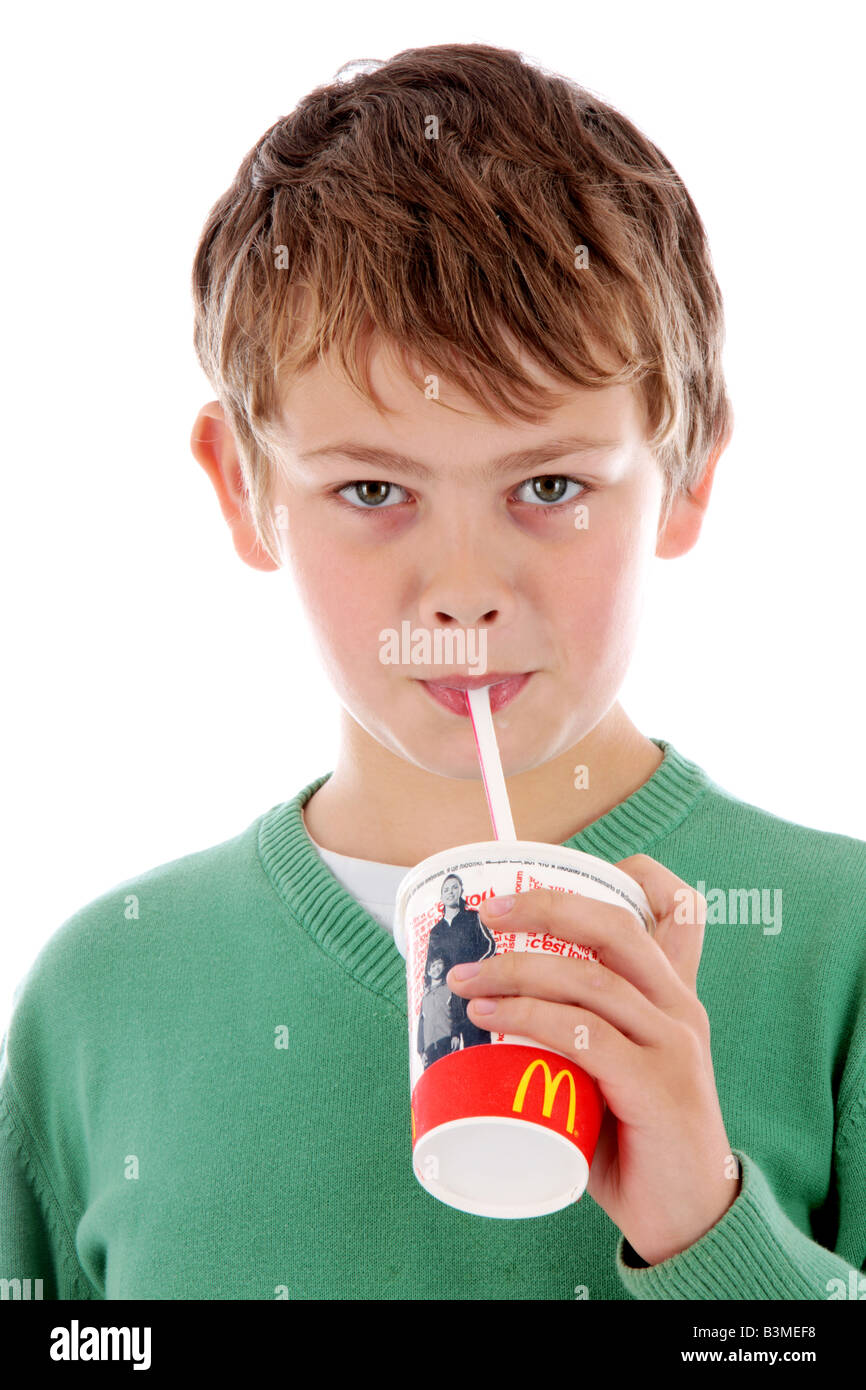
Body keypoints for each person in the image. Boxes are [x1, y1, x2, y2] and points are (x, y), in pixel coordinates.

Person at [1, 42, 864, 1301]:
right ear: (244, 492)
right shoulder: (102, 997)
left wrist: (707, 1228)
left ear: (685, 478)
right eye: (371, 489)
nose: (462, 585)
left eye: (549, 485)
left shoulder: (835, 951)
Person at [425, 875, 496, 1050]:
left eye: (454, 887)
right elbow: (430, 964)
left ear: (461, 891)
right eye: (446, 889)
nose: (450, 892)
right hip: (447, 995)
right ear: (441, 896)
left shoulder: (473, 917)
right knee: (448, 1047)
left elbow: (490, 946)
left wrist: (474, 972)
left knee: (478, 1044)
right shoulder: (436, 931)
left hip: (473, 989)